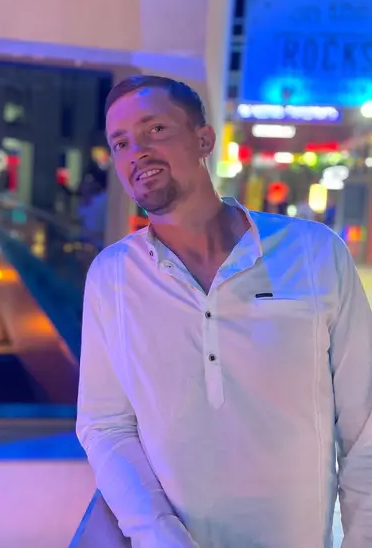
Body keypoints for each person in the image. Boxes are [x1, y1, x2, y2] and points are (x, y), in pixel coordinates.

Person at [76, 75, 372, 547]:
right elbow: (105, 425)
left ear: (204, 140)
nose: (137, 152)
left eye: (155, 130)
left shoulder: (313, 253)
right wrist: (160, 537)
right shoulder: (111, 277)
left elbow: (365, 422)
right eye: (121, 143)